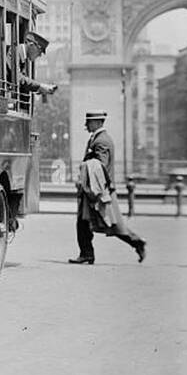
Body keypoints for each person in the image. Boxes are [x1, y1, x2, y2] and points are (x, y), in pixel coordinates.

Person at [69, 109, 146, 264]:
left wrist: (84, 168)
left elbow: (100, 165)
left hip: (98, 191)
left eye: (89, 122)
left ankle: (136, 242)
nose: (86, 125)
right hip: (98, 189)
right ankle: (87, 253)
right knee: (89, 222)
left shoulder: (101, 141)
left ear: (98, 122)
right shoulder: (98, 139)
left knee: (109, 224)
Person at [17, 30, 59, 99]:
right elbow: (18, 77)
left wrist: (39, 88)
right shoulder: (15, 51)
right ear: (31, 45)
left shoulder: (22, 56)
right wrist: (40, 86)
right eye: (40, 51)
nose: (39, 55)